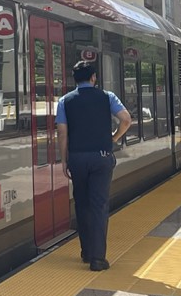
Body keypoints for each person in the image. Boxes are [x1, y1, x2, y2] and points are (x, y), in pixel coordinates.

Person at [56, 60, 132, 272]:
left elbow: (62, 133)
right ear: (93, 78)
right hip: (101, 157)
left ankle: (86, 251)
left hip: (77, 158)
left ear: (75, 79)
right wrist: (114, 138)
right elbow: (126, 119)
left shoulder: (64, 101)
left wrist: (64, 160)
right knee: (99, 206)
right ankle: (98, 258)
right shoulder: (107, 97)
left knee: (81, 203)